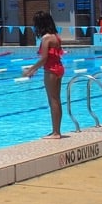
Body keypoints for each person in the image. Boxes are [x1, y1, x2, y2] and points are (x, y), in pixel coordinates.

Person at [23, 10, 64, 139]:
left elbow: (44, 58)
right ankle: (57, 131)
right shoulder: (56, 36)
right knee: (57, 99)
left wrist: (31, 69)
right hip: (59, 68)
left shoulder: (46, 38)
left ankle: (56, 133)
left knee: (53, 100)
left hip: (51, 70)